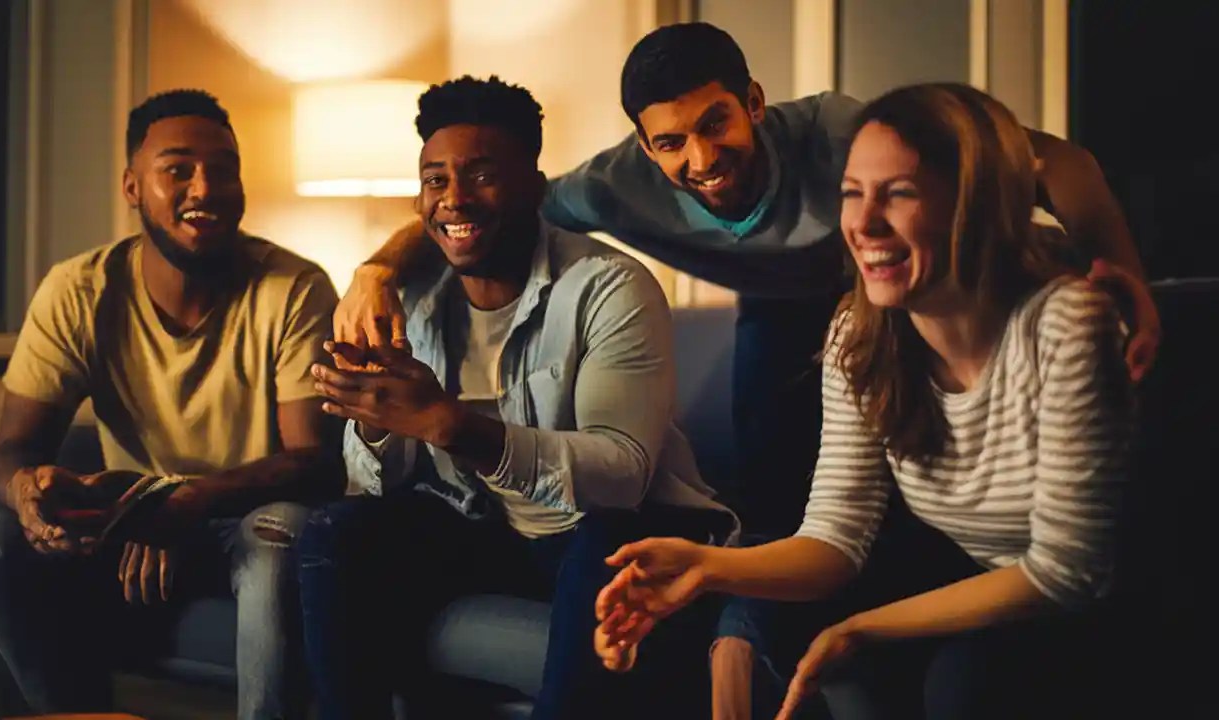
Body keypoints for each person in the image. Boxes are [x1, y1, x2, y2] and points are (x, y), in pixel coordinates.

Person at [329, 22, 1158, 541]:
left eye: (715, 122)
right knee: (768, 475)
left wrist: (1117, 265)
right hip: (784, 311)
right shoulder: (614, 182)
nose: (699, 159)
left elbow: (1057, 160)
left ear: (754, 101)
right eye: (669, 143)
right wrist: (376, 268)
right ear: (643, 146)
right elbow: (479, 209)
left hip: (898, 296)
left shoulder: (838, 128)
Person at [593, 83, 1135, 720]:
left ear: (973, 204)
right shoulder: (860, 331)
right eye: (852, 193)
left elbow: (1068, 572)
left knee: (964, 687)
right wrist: (706, 567)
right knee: (761, 609)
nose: (864, 224)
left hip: (1108, 599)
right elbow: (835, 537)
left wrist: (864, 628)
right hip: (975, 566)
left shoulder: (1067, 320)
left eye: (898, 193)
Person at [296, 76, 736, 720]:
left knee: (605, 542)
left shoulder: (609, 287)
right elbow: (376, 485)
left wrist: (452, 426)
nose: (454, 200)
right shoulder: (412, 299)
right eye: (436, 180)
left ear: (533, 184)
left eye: (480, 176)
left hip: (617, 527)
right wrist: (377, 422)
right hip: (492, 529)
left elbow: (622, 476)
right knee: (337, 531)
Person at [0, 89, 342, 720]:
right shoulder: (78, 289)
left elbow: (314, 462)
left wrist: (186, 502)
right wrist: (28, 492)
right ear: (133, 187)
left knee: (283, 534)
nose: (205, 187)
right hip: (127, 520)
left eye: (223, 169)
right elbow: (12, 451)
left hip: (242, 521)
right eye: (178, 169)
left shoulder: (293, 289)